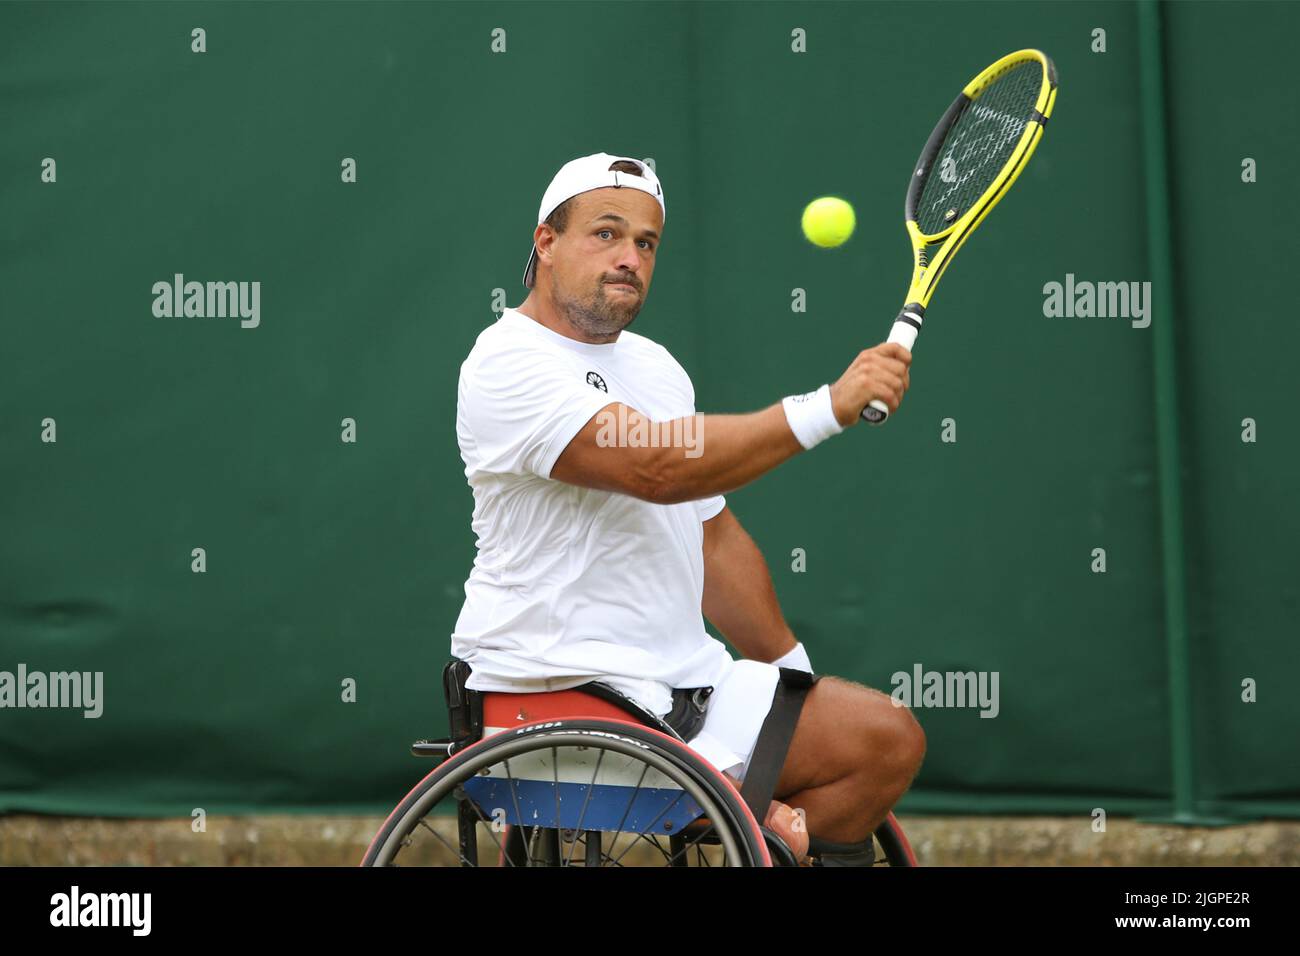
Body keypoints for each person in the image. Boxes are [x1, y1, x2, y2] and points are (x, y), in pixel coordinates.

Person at [451, 151, 924, 865]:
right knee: (766, 831)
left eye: (646, 242)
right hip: (560, 692)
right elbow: (654, 466)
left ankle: (762, 835)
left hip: (683, 685)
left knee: (885, 739)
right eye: (605, 234)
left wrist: (794, 672)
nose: (629, 257)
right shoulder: (505, 361)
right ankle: (750, 829)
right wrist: (825, 409)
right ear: (545, 242)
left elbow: (712, 538)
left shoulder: (656, 367)